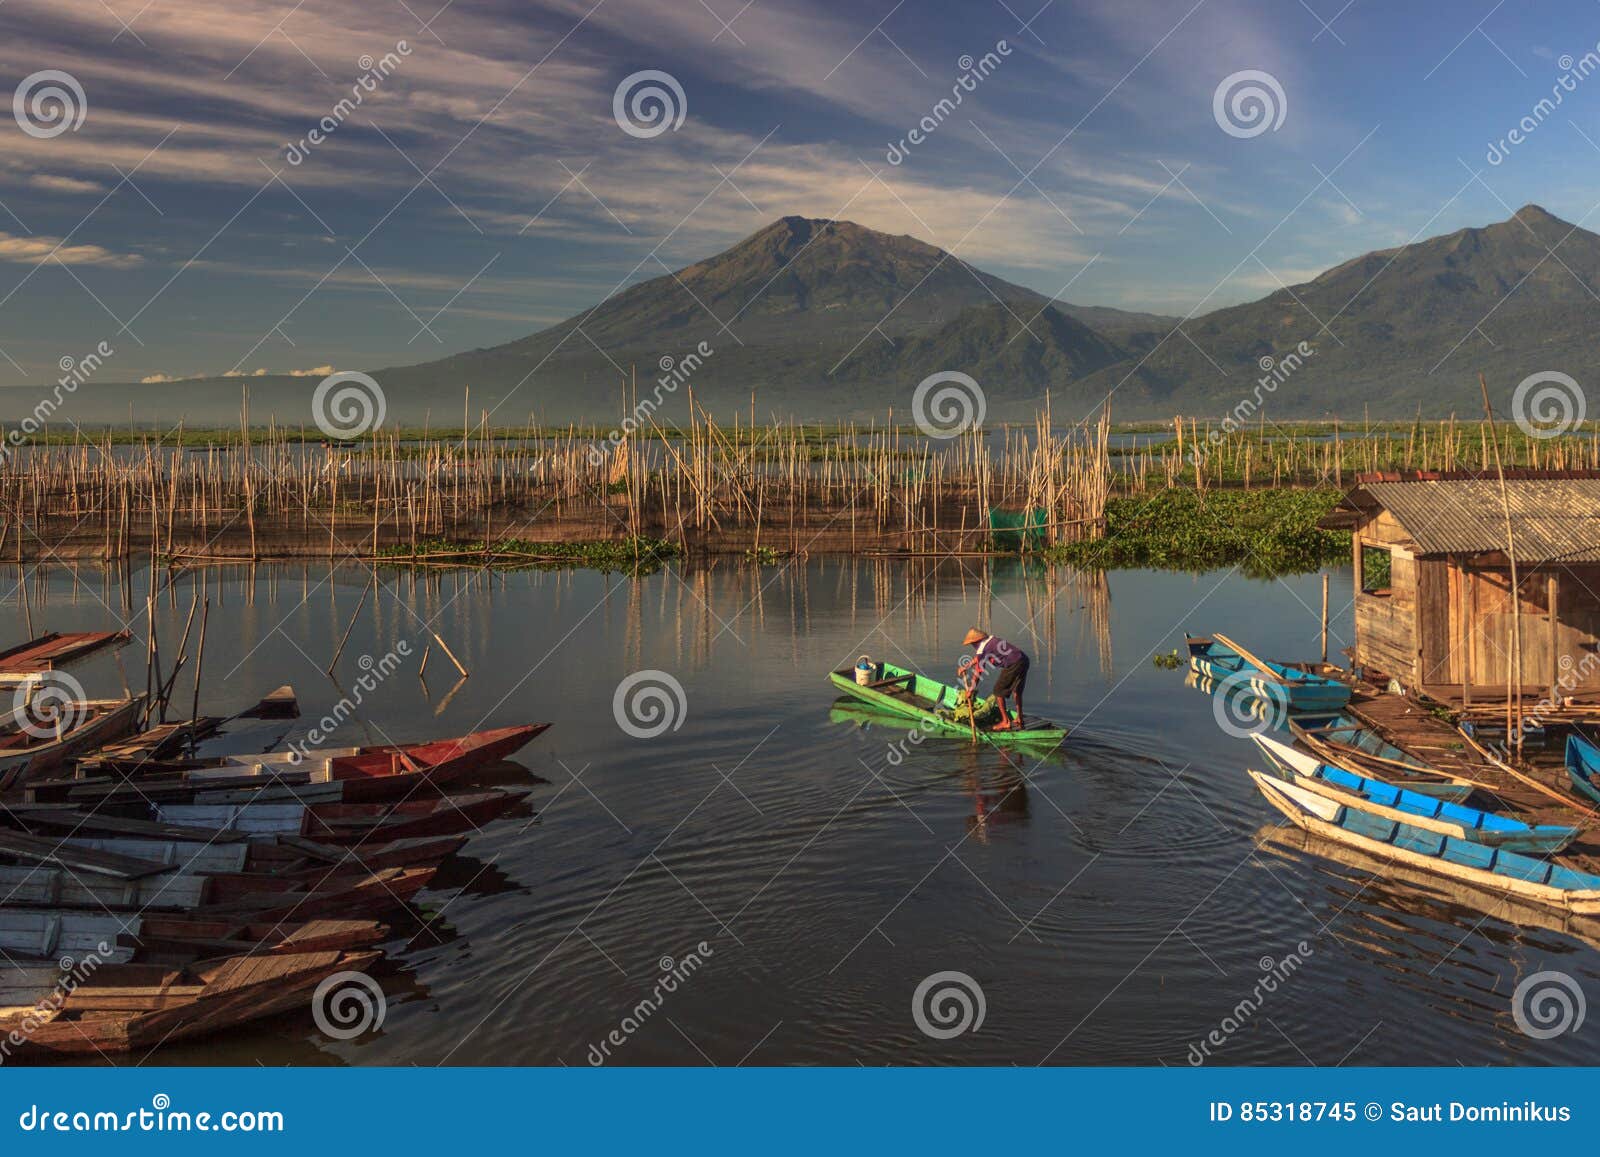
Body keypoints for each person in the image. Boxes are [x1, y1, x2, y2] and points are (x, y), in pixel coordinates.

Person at [962, 627, 1029, 731]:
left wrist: (971, 690)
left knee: (998, 691)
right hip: (1023, 659)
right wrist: (966, 666)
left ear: (976, 641)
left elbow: (978, 671)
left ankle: (1005, 722)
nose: (973, 646)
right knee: (1017, 691)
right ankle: (1019, 718)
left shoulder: (982, 649)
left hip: (1013, 664)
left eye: (972, 644)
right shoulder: (991, 641)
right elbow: (979, 659)